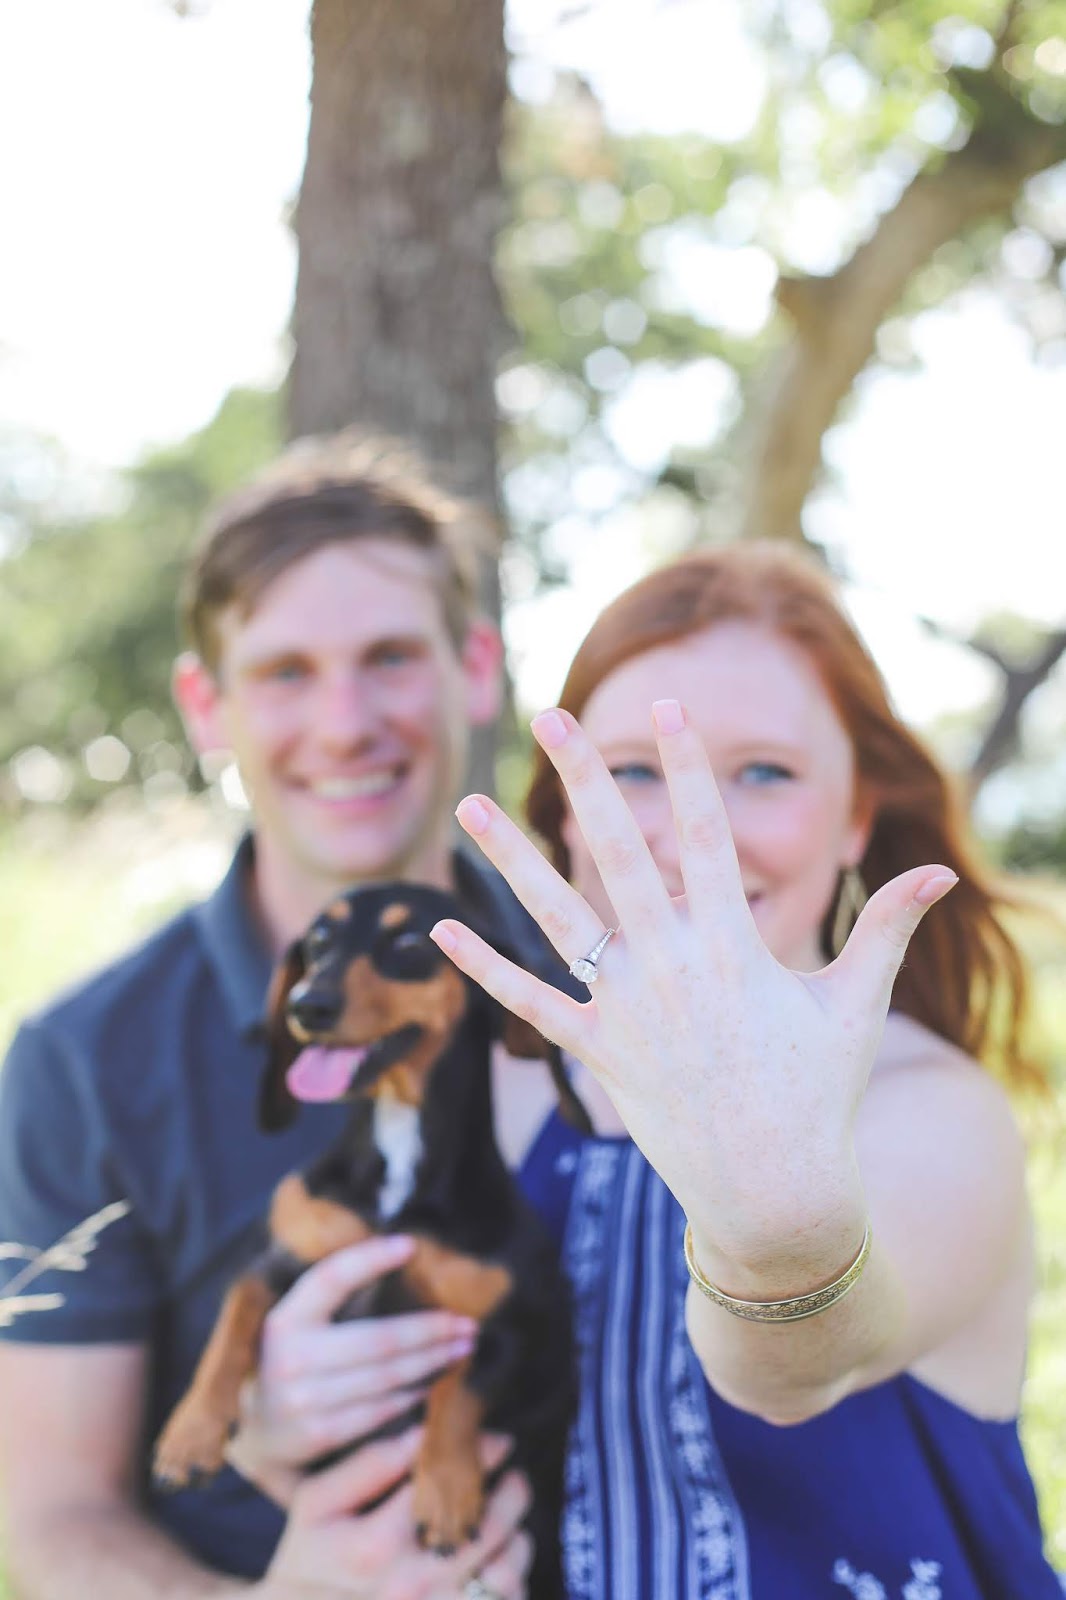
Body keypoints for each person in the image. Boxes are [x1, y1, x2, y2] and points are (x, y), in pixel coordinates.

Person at [238, 542, 1062, 1598]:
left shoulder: (936, 1112)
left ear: (857, 813)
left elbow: (804, 1367)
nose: (688, 832)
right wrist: (277, 1434)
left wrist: (777, 1233)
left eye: (763, 771)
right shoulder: (479, 1092)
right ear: (563, 815)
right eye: (629, 770)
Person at [0, 431, 544, 1600]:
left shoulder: (605, 982)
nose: (344, 722)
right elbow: (51, 1513)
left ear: (478, 666)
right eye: (286, 670)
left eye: (391, 656)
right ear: (207, 704)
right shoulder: (83, 1062)